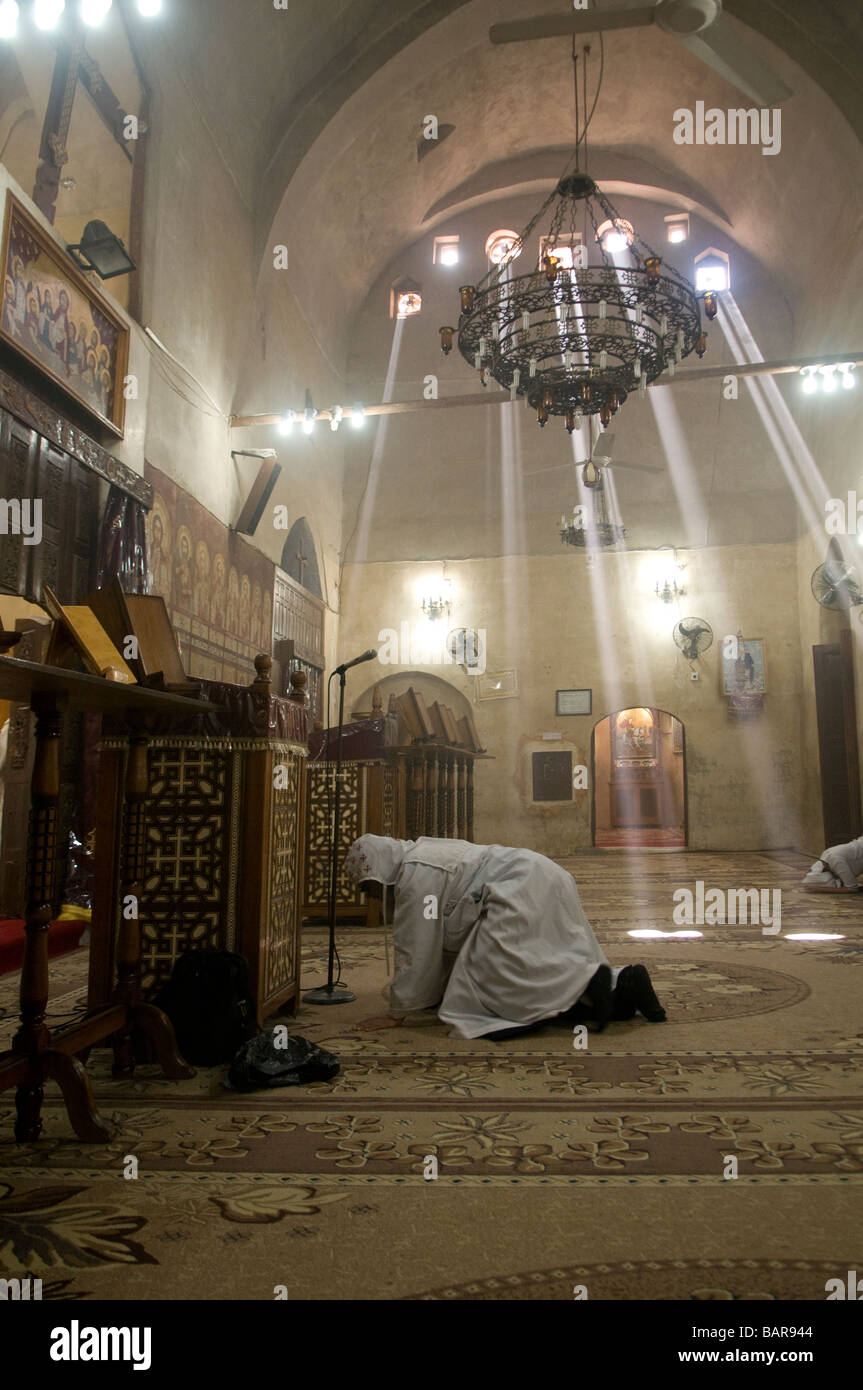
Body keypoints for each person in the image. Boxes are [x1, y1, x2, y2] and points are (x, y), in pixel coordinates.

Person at [344, 834, 666, 1038]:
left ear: (381, 872)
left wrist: (397, 1014)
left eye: (369, 888)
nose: (372, 897)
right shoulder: (422, 850)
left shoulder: (413, 877)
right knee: (544, 960)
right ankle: (622, 985)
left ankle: (556, 1006)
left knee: (495, 978)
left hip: (519, 885)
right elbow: (446, 933)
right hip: (544, 873)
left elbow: (417, 948)